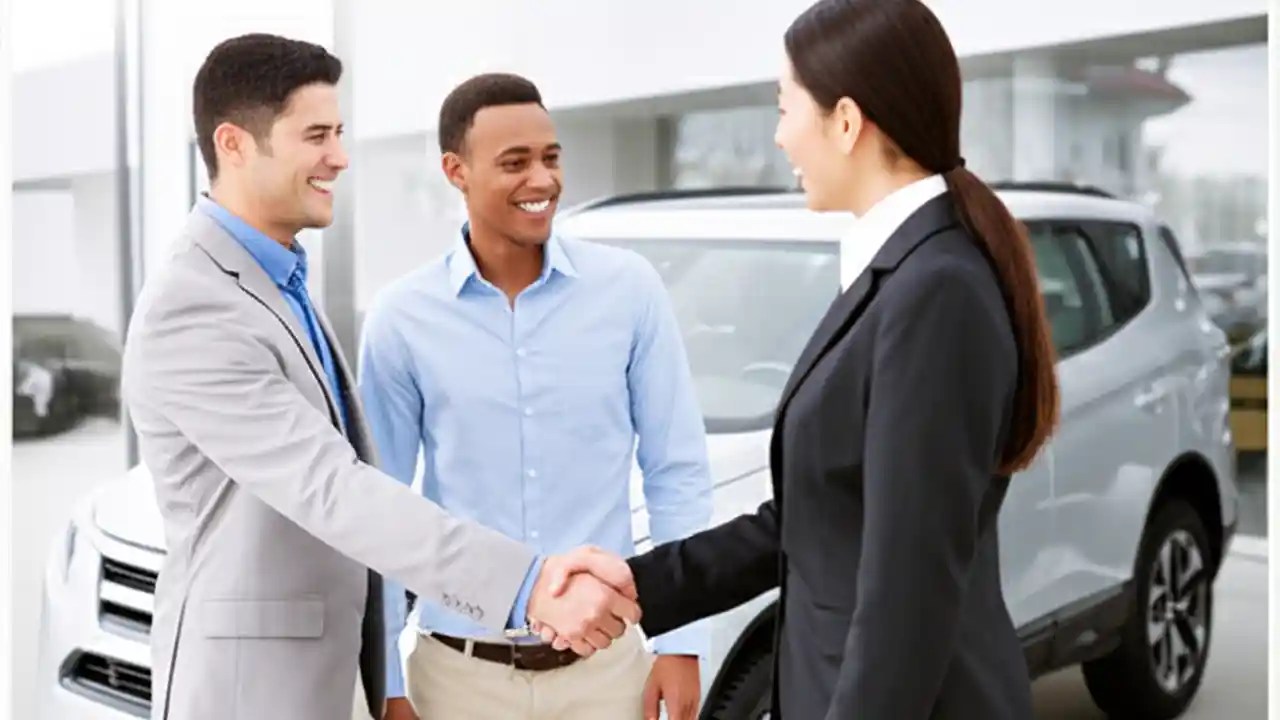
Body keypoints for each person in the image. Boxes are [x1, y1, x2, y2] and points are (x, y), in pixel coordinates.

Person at [544, 1, 1061, 717]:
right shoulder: (902, 273)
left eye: (785, 107)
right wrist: (642, 584)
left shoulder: (935, 290)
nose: (780, 135)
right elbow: (815, 518)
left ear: (846, 122)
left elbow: (910, 588)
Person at [121, 35, 638, 720]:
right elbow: (334, 487)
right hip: (249, 691)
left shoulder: (277, 280)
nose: (340, 156)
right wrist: (527, 583)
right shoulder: (195, 304)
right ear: (234, 144)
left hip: (319, 679)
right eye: (317, 136)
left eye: (339, 133)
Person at [358, 72, 714, 720]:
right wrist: (387, 679)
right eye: (515, 162)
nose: (542, 180)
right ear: (456, 171)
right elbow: (380, 510)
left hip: (607, 673)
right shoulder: (401, 318)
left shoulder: (629, 291)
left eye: (551, 157)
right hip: (458, 680)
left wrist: (681, 642)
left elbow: (677, 472)